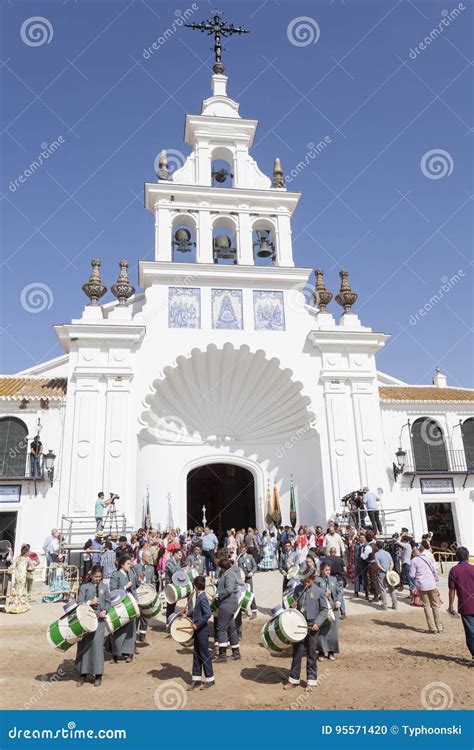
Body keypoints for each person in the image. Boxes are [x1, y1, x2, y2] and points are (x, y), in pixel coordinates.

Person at [284, 567, 329, 691]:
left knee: (311, 653)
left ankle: (311, 680)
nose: (305, 583)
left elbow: (325, 610)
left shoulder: (319, 591)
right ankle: (293, 680)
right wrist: (293, 607)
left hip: (312, 626)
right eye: (304, 581)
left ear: (313, 579)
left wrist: (318, 623)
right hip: (299, 624)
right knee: (297, 652)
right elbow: (294, 605)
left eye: (308, 581)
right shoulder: (298, 589)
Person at [75, 565, 110, 687]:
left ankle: (98, 674)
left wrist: (105, 610)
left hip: (99, 620)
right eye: (96, 576)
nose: (98, 579)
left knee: (97, 647)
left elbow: (108, 602)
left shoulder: (104, 587)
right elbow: (79, 603)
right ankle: (83, 674)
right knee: (84, 646)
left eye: (100, 577)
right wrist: (90, 602)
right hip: (86, 620)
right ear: (91, 576)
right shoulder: (84, 587)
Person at [186, 575, 214, 690]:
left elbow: (208, 614)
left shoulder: (202, 598)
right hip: (198, 631)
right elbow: (196, 610)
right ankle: (196, 678)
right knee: (196, 654)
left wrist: (197, 624)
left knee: (204, 655)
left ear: (196, 586)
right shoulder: (199, 596)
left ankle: (210, 679)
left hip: (202, 630)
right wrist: (187, 614)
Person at [108, 555, 138, 663]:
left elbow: (134, 588)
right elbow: (112, 590)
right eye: (128, 564)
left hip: (130, 604)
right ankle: (115, 653)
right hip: (119, 606)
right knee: (117, 629)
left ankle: (129, 653)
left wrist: (136, 599)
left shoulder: (131, 574)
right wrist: (125, 587)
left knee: (131, 629)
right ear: (122, 564)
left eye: (130, 563)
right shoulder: (115, 575)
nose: (130, 566)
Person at [448, 547, 474, 661]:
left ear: (456, 557)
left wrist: (450, 606)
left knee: (470, 632)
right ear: (467, 556)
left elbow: (452, 590)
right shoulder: (473, 569)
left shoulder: (454, 570)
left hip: (465, 606)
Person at [409, 547, 444, 634]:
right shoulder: (427, 558)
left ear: (413, 553)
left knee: (426, 606)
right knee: (435, 606)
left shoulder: (413, 561)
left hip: (421, 585)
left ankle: (432, 628)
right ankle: (439, 627)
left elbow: (411, 574)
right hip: (432, 584)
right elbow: (433, 569)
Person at [214, 556, 240, 663]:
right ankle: (236, 652)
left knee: (221, 629)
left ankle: (222, 655)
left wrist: (219, 595)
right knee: (231, 627)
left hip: (227, 603)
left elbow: (228, 589)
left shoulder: (229, 574)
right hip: (231, 603)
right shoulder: (230, 573)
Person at [315, 562, 342, 660]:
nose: (328, 572)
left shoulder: (334, 579)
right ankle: (321, 652)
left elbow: (339, 592)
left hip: (334, 608)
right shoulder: (317, 580)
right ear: (322, 570)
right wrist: (323, 595)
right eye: (326, 570)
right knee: (322, 630)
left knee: (333, 631)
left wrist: (338, 601)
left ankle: (331, 651)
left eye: (329, 570)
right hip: (323, 608)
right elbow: (315, 593)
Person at [134, 549, 157, 643]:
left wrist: (153, 590)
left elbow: (153, 581)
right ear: (143, 557)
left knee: (145, 614)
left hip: (147, 595)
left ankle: (143, 635)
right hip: (138, 594)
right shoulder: (136, 567)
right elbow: (134, 580)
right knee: (137, 614)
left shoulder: (151, 568)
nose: (150, 558)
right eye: (148, 556)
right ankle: (134, 634)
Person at [5, 545, 31, 614]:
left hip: (17, 576)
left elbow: (12, 566)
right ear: (26, 552)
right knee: (21, 590)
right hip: (22, 577)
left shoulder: (17, 558)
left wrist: (10, 570)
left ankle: (15, 604)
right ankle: (19, 605)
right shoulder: (27, 559)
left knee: (16, 589)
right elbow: (31, 567)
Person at [374, 540, 398, 610]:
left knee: (382, 589)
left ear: (376, 546)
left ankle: (384, 605)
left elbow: (378, 565)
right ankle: (395, 604)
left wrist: (385, 570)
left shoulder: (376, 554)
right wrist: (389, 570)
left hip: (382, 573)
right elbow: (391, 562)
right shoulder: (387, 553)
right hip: (389, 573)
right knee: (391, 589)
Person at [237, 543, 258, 616]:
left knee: (250, 593)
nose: (242, 551)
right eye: (241, 550)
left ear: (246, 550)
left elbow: (255, 566)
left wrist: (252, 572)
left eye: (243, 550)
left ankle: (254, 611)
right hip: (242, 578)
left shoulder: (250, 556)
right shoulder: (239, 558)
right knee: (243, 594)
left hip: (249, 576)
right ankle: (244, 611)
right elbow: (238, 569)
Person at [164, 548, 183, 623]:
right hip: (170, 587)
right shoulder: (169, 561)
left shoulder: (177, 561)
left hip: (175, 586)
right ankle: (168, 623)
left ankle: (171, 621)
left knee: (173, 605)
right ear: (174, 554)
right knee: (170, 606)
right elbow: (174, 572)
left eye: (181, 555)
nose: (180, 557)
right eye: (179, 555)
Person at [353, 532, 369, 600]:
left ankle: (366, 593)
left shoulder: (367, 546)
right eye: (360, 537)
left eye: (363, 537)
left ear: (365, 538)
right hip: (357, 563)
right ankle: (356, 591)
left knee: (365, 578)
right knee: (356, 578)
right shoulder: (356, 545)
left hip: (364, 563)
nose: (362, 539)